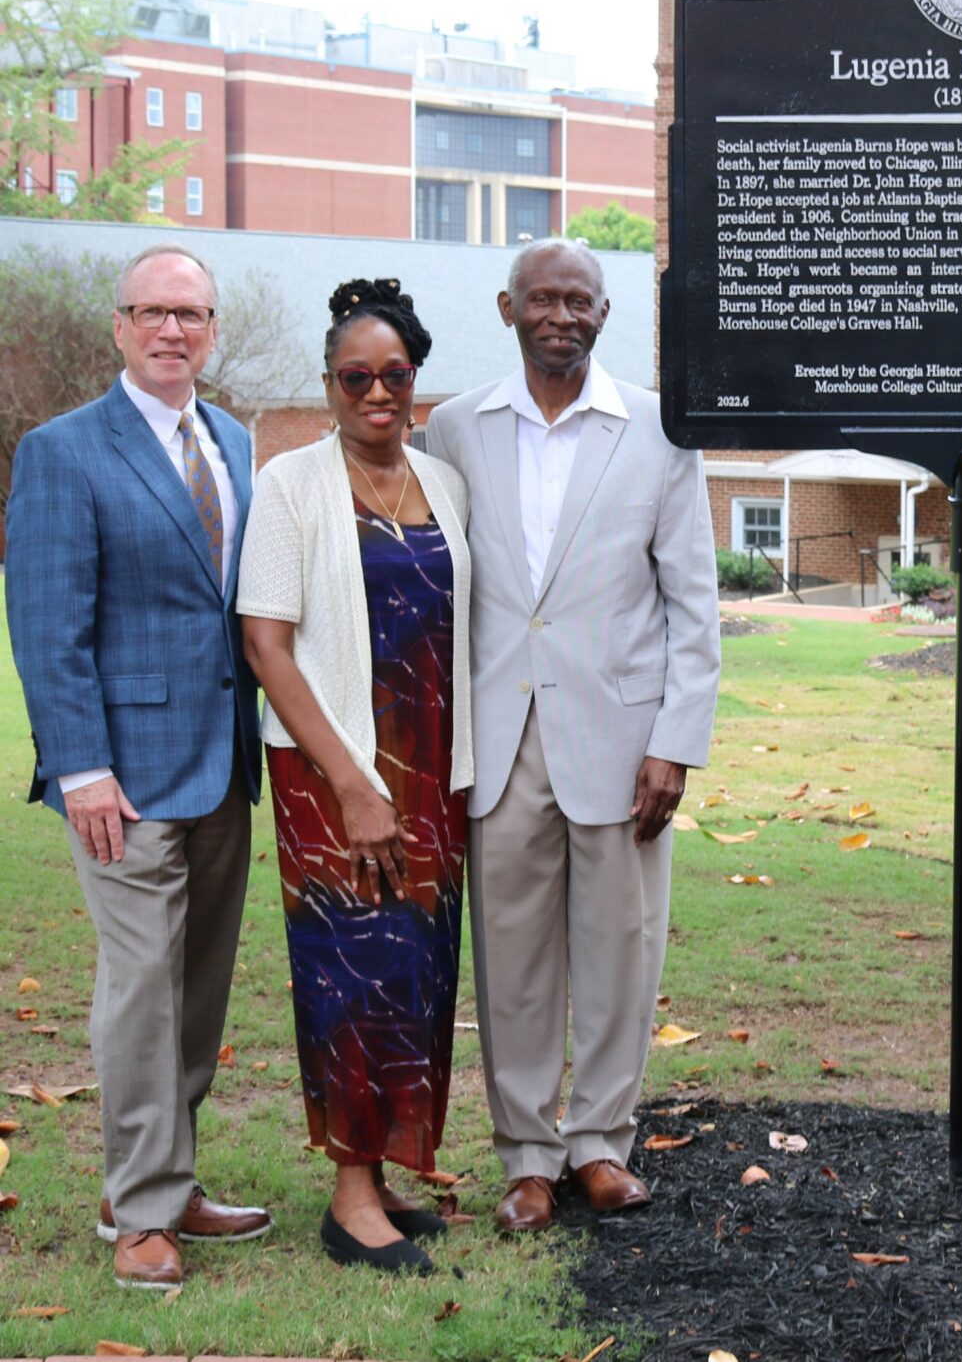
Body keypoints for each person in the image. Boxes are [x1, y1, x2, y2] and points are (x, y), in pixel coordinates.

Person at [415, 239, 720, 1233]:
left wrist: (675, 740)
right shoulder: (455, 428)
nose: (562, 313)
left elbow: (693, 606)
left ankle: (600, 1143)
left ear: (603, 311)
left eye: (580, 299)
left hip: (625, 742)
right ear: (508, 307)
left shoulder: (659, 434)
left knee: (621, 950)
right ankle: (525, 1157)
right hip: (497, 738)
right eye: (544, 297)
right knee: (511, 957)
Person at [5, 243, 270, 1291]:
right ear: (119, 326)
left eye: (191, 314)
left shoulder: (237, 443)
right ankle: (145, 1214)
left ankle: (157, 1174)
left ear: (212, 329)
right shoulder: (64, 450)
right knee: (139, 987)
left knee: (198, 985)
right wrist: (79, 769)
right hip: (122, 773)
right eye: (152, 311)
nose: (172, 330)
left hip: (225, 764)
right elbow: (46, 624)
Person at [238, 278, 472, 1273]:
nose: (375, 391)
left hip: (431, 767)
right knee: (350, 973)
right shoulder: (292, 483)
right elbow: (265, 641)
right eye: (354, 377)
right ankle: (347, 1197)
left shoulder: (443, 482)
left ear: (415, 377)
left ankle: (380, 1173)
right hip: (333, 776)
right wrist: (353, 780)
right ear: (329, 385)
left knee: (416, 971)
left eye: (393, 374)